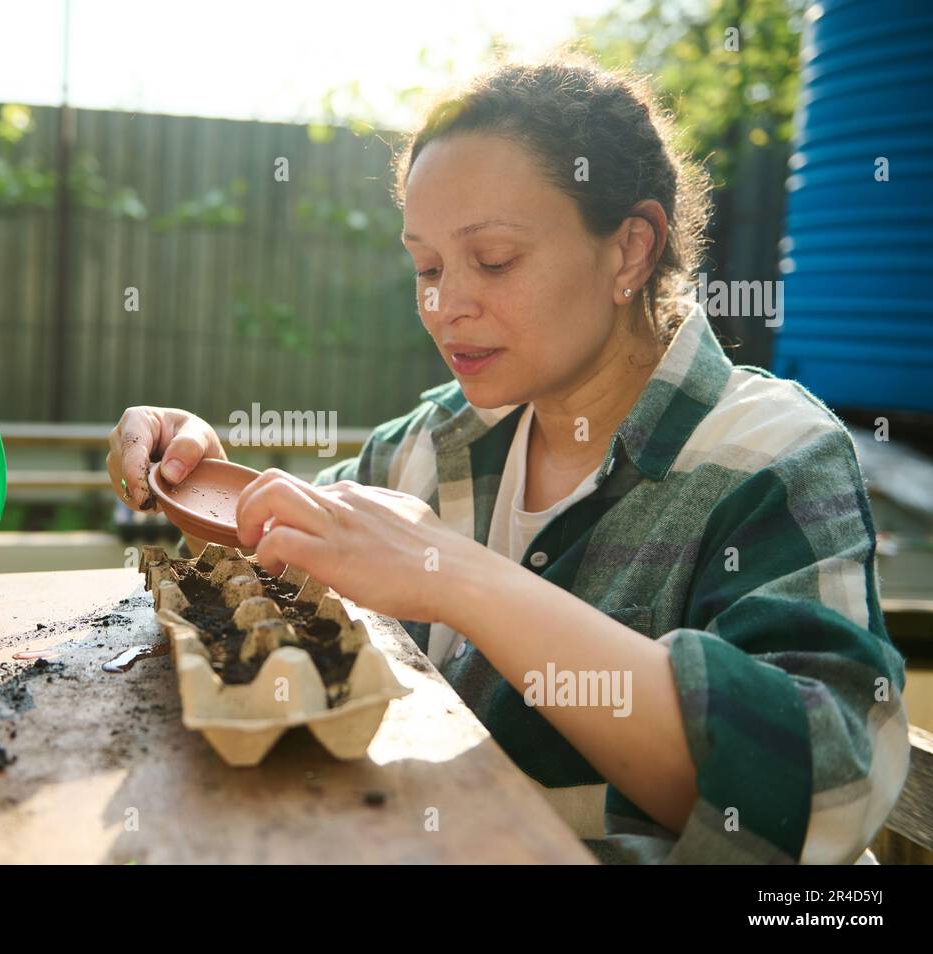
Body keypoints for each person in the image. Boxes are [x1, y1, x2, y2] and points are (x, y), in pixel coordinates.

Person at [106, 57, 909, 864]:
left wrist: (453, 574)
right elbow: (302, 531)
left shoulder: (767, 456)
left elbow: (824, 793)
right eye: (426, 267)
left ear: (630, 251)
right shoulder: (442, 441)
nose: (443, 304)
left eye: (492, 259)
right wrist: (201, 469)